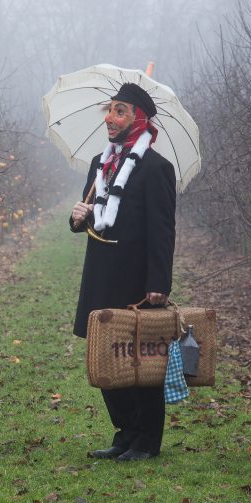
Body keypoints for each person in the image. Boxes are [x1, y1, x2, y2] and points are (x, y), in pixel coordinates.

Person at [69, 82, 176, 462]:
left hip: (136, 279)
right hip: (100, 274)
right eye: (109, 111)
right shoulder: (101, 164)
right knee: (105, 354)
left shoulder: (156, 169)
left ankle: (147, 440)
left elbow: (162, 233)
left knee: (138, 359)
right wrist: (76, 218)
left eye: (120, 111)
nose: (110, 119)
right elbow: (89, 217)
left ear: (139, 119)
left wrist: (158, 284)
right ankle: (125, 433)